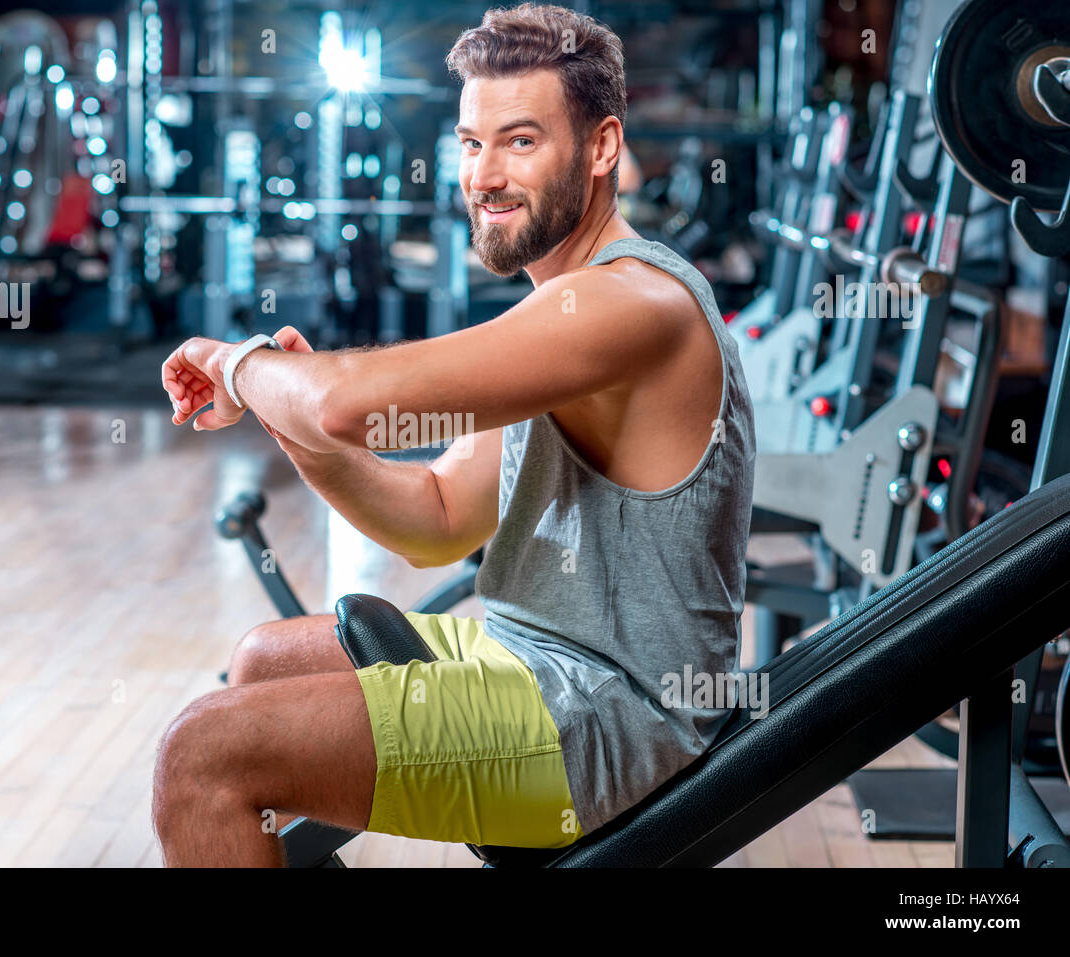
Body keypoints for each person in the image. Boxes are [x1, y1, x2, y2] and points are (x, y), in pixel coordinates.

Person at [154, 3, 756, 867]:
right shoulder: (562, 307)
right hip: (532, 656)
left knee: (202, 755)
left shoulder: (630, 306)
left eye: (519, 141)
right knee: (263, 661)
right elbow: (433, 517)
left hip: (607, 715)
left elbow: (344, 403)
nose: (483, 175)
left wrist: (242, 365)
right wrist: (293, 417)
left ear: (601, 147)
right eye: (471, 144)